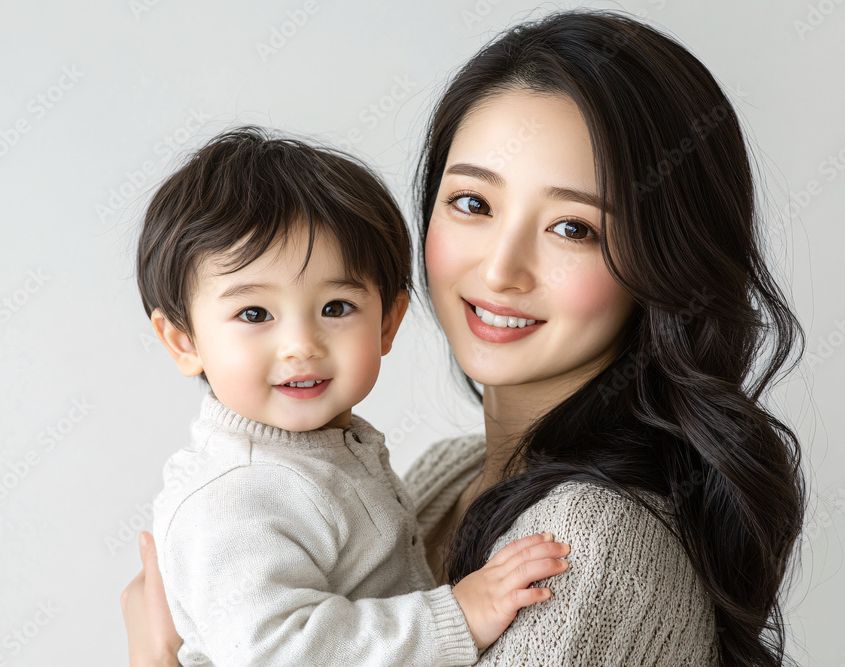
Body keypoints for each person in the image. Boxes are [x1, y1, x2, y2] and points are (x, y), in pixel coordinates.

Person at [123, 8, 807, 666]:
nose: (500, 269)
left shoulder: (594, 541)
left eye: (573, 227)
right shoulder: (439, 476)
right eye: (474, 204)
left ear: (666, 262)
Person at [133, 126, 571, 666]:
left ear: (388, 322)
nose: (300, 345)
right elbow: (280, 653)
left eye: (336, 308)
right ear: (184, 341)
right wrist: (458, 613)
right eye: (254, 314)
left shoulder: (326, 456)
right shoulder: (235, 495)